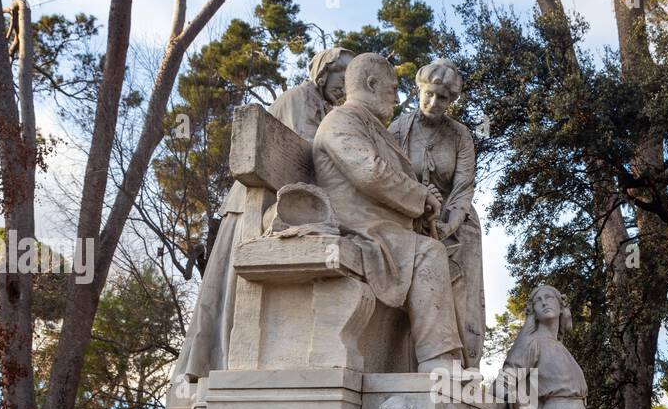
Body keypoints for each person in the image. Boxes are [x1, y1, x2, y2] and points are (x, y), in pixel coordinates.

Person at [172, 46, 354, 388]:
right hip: (253, 206)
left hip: (285, 206)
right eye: (341, 76)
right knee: (228, 292)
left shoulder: (325, 109)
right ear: (323, 72)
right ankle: (215, 363)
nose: (345, 86)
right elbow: (312, 152)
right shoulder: (299, 98)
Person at [312, 53, 465, 372]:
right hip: (360, 227)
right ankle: (438, 362)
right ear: (371, 84)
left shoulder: (373, 127)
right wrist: (419, 196)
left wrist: (425, 198)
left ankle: (441, 359)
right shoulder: (342, 120)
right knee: (429, 253)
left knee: (448, 263)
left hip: (385, 227)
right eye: (393, 88)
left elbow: (395, 175)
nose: (397, 98)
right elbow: (370, 172)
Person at [389, 59, 487, 368]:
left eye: (442, 97)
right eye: (428, 94)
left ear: (452, 100)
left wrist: (447, 225)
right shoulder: (398, 128)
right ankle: (409, 365)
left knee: (461, 302)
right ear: (419, 89)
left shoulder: (460, 136)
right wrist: (416, 205)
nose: (433, 102)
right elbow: (389, 175)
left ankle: (464, 367)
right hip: (408, 219)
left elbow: (463, 188)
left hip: (456, 224)